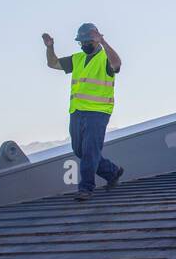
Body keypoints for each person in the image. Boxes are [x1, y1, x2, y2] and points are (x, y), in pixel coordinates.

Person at [42, 23, 124, 201]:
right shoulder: (78, 59)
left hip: (98, 112)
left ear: (96, 40)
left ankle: (86, 188)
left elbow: (117, 64)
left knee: (89, 151)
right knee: (79, 150)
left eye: (87, 42)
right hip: (77, 112)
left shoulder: (105, 58)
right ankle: (112, 172)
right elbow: (53, 63)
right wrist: (50, 47)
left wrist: (103, 42)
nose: (84, 45)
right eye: (81, 42)